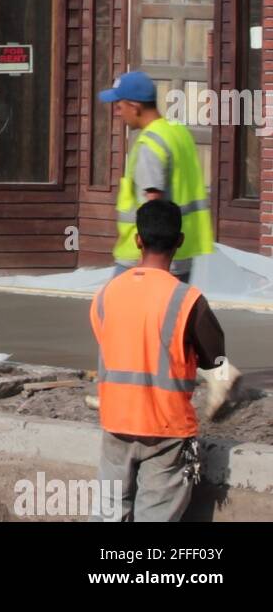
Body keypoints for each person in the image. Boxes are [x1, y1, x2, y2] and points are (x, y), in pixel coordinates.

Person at [89, 200, 239, 522]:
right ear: (180, 242)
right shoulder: (187, 300)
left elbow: (111, 344)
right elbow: (215, 358)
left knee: (108, 515)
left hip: (116, 424)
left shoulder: (107, 294)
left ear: (138, 240)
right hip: (166, 430)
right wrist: (224, 381)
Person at [98, 71, 214, 283]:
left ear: (135, 107)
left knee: (116, 310)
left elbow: (153, 206)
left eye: (119, 105)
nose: (117, 111)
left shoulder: (151, 144)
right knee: (170, 313)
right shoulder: (178, 132)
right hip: (179, 251)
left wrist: (148, 260)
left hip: (145, 258)